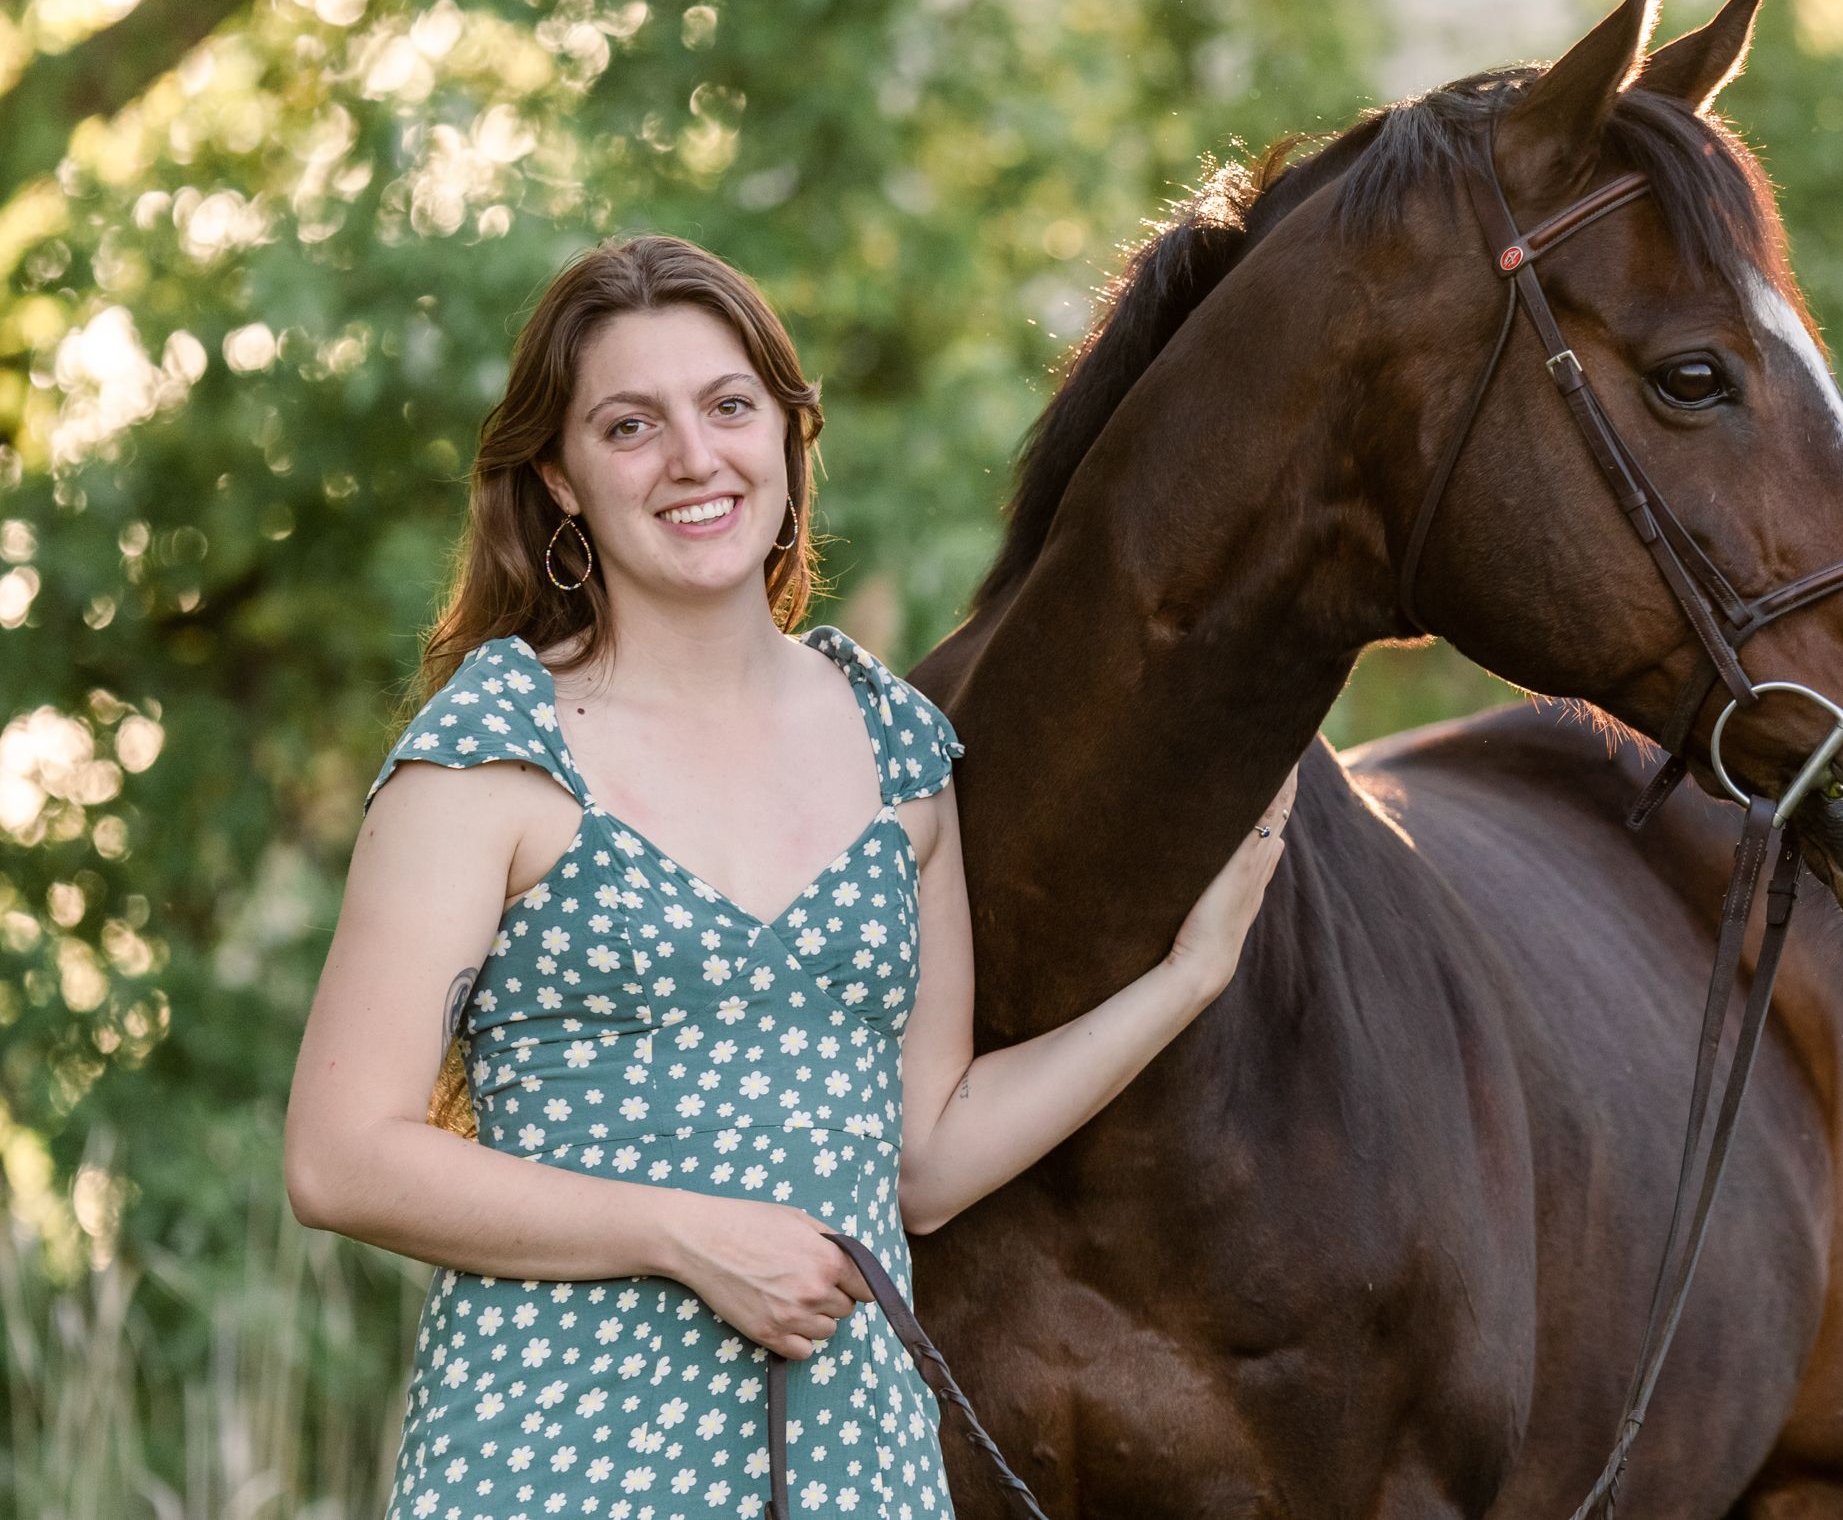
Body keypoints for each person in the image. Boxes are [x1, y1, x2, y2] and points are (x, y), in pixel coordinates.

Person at [282, 234, 1295, 1520]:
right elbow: (340, 1156)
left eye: (728, 406)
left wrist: (1188, 977)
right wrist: (685, 1232)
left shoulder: (898, 750)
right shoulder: (496, 751)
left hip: (849, 1456)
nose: (692, 457)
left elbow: (927, 1156)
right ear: (561, 479)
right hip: (552, 1456)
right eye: (630, 425)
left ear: (787, 432)